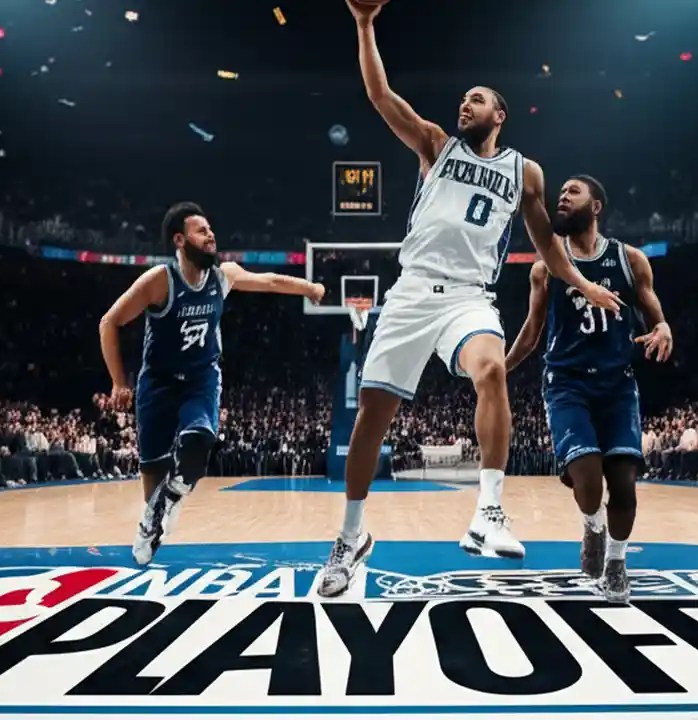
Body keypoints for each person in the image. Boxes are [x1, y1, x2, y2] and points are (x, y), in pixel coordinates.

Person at [317, 0, 622, 598]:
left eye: (477, 100)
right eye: (463, 100)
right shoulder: (436, 145)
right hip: (410, 292)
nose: (465, 105)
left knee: (491, 369)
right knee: (371, 420)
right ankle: (351, 536)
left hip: (469, 295)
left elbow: (546, 245)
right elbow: (381, 97)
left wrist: (583, 284)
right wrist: (363, 23)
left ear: (500, 114)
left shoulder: (524, 173)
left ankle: (488, 511)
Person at [99, 201, 326, 564]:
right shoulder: (159, 280)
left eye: (210, 229)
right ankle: (152, 520)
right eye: (201, 230)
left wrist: (309, 287)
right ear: (179, 239)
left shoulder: (224, 275)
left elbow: (269, 282)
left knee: (199, 439)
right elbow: (108, 322)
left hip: (200, 378)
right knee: (153, 470)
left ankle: (172, 496)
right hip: (156, 382)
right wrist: (117, 382)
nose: (211, 235)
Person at [505, 175, 673, 604]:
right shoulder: (546, 265)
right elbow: (532, 330)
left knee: (625, 483)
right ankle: (592, 526)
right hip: (566, 381)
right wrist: (500, 371)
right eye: (559, 192)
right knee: (588, 475)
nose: (562, 197)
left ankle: (616, 563)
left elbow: (654, 311)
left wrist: (664, 328)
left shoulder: (630, 260)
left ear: (595, 206)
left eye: (572, 193)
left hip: (617, 385)